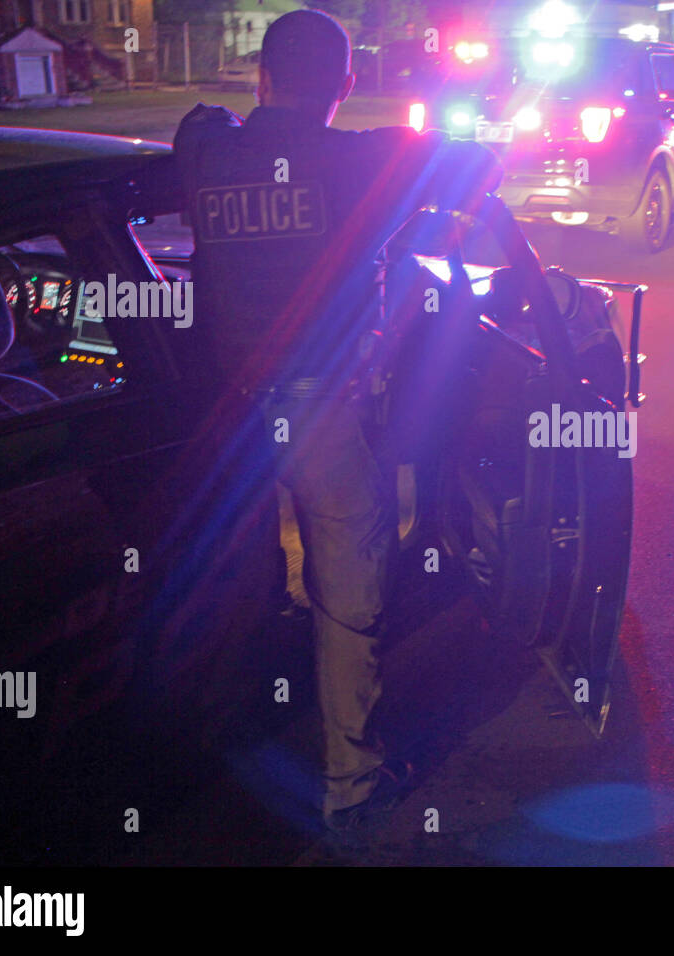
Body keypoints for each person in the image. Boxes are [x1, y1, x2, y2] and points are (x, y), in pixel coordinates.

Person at [171, 9, 497, 846]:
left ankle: (226, 719)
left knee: (239, 573)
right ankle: (349, 783)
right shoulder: (367, 161)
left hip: (224, 416)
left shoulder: (207, 150)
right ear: (346, 86)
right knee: (348, 588)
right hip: (319, 410)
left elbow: (197, 126)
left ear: (260, 76)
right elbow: (475, 164)